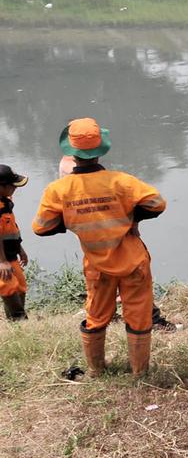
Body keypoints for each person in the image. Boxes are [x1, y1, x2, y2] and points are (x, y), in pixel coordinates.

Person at [31, 118, 167, 377]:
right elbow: (157, 203)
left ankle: (96, 370)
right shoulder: (121, 182)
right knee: (139, 316)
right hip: (134, 261)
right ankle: (140, 373)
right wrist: (132, 218)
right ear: (101, 150)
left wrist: (74, 220)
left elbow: (41, 227)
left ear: (71, 152)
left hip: (97, 265)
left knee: (96, 315)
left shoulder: (58, 190)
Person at [59, 154, 179, 332]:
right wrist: (132, 220)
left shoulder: (69, 168)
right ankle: (149, 320)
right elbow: (148, 203)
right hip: (114, 237)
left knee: (102, 281)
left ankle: (108, 320)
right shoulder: (75, 170)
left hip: (93, 238)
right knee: (133, 277)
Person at [0, 165, 30, 321]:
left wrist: (20, 248)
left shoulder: (5, 202)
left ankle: (15, 321)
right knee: (8, 286)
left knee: (20, 285)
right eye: (12, 185)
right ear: (2, 186)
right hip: (2, 258)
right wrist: (2, 261)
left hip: (10, 253)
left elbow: (11, 229)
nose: (15, 188)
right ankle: (19, 320)